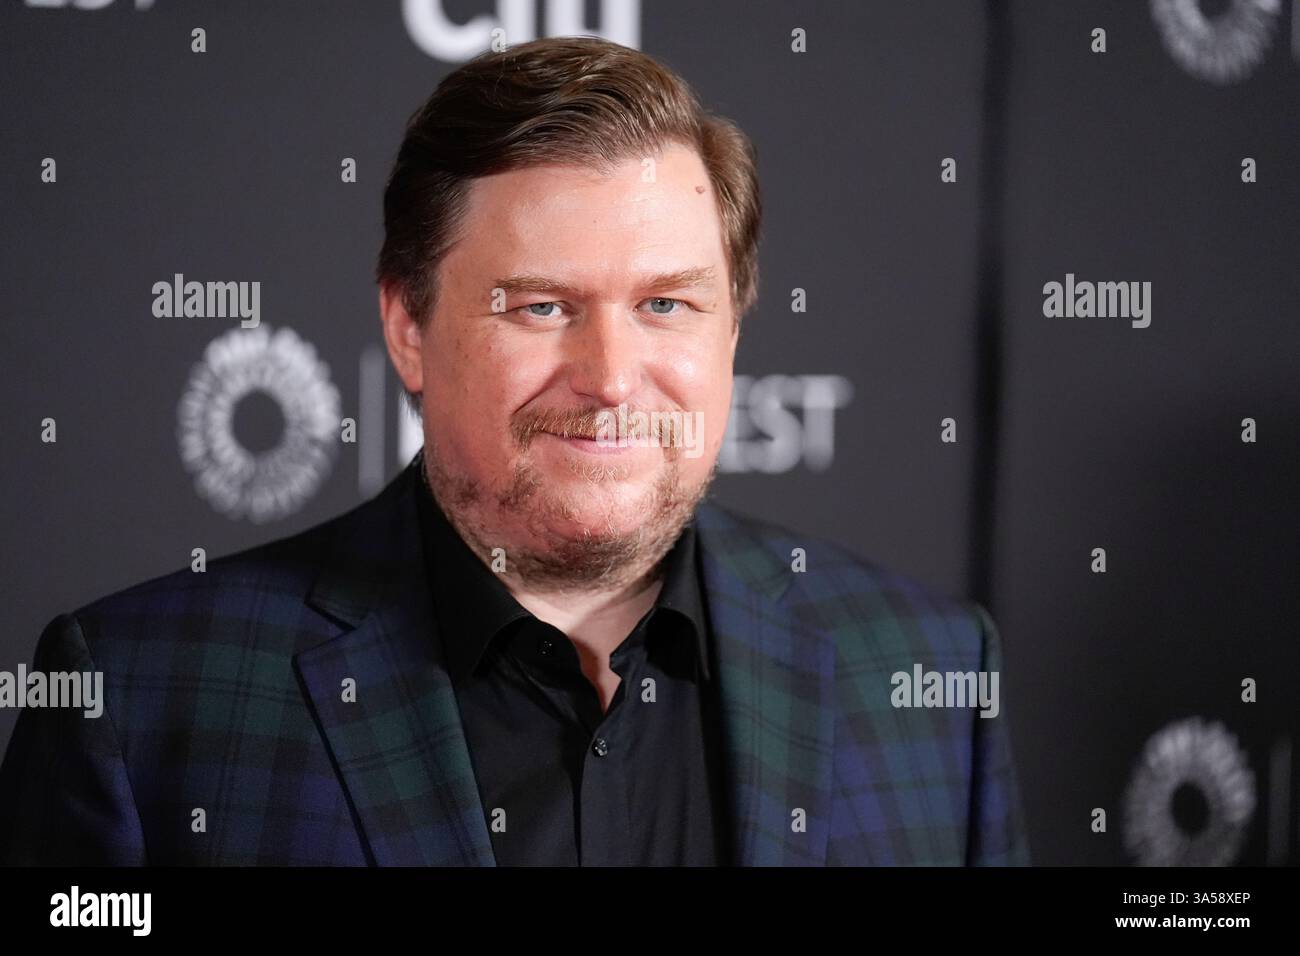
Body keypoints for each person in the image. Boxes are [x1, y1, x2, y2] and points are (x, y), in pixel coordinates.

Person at [0, 36, 1028, 866]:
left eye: (666, 303)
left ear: (733, 329)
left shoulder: (927, 676)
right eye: (541, 305)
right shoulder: (139, 700)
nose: (612, 375)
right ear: (408, 322)